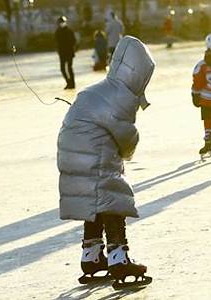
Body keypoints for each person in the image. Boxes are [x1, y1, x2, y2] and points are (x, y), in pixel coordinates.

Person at [57, 36, 155, 288]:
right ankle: (119, 258)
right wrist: (131, 147)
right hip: (93, 152)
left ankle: (90, 256)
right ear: (137, 74)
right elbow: (125, 135)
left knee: (94, 201)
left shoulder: (99, 88)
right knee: (113, 200)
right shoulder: (121, 95)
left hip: (71, 151)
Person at [55, 16, 76, 89]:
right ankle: (69, 82)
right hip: (62, 53)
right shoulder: (58, 31)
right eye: (60, 22)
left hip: (69, 52)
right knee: (62, 69)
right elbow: (57, 42)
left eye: (62, 22)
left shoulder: (69, 31)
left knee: (69, 68)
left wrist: (70, 47)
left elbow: (73, 41)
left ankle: (72, 84)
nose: (61, 24)